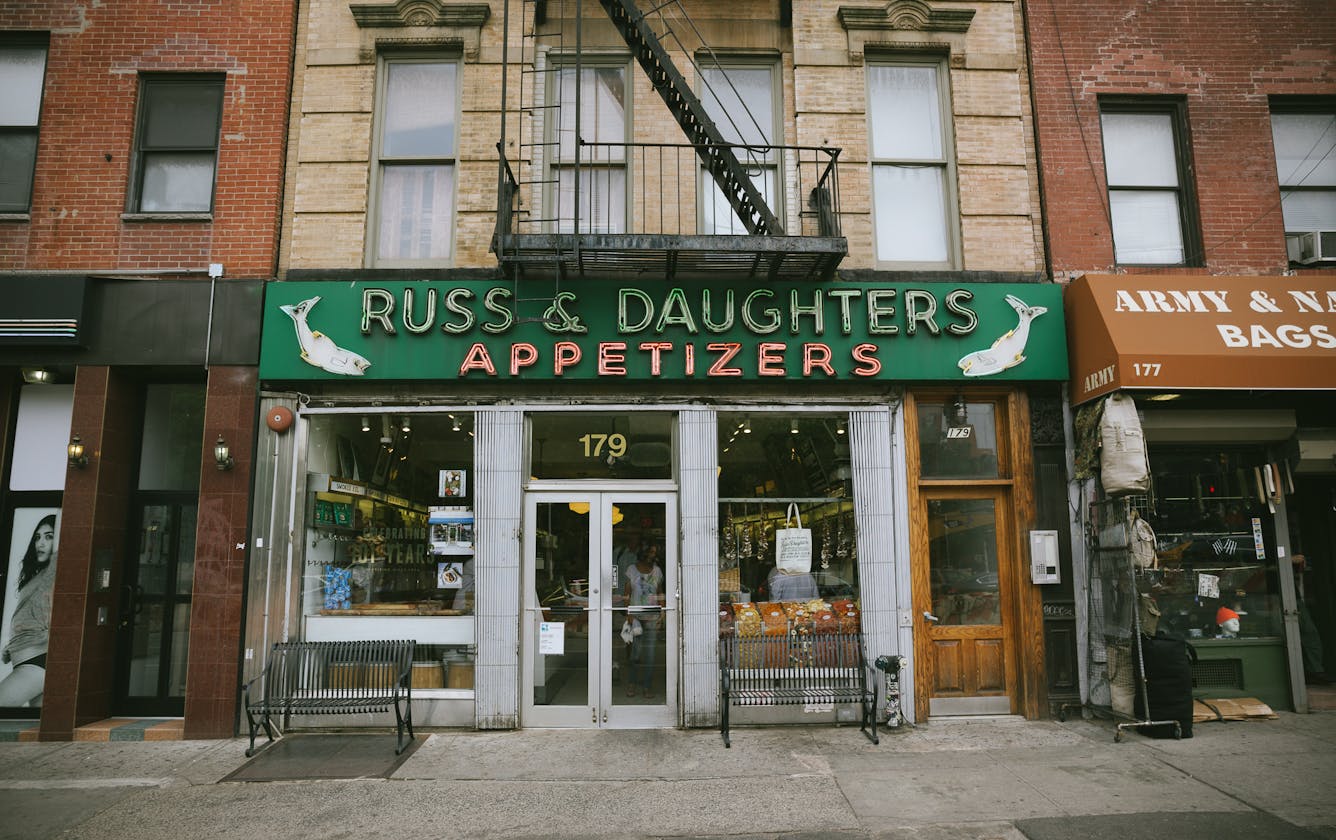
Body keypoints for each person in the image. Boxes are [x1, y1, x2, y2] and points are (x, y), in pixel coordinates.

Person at [0, 515, 58, 707]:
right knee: (38, 725)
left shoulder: (54, 571)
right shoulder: (38, 574)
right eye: (38, 537)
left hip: (37, 660)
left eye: (49, 537)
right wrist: (13, 645)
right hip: (28, 659)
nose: (40, 543)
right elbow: (29, 614)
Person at [624, 542, 664, 698]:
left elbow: (660, 593)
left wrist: (663, 613)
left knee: (651, 655)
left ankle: (647, 686)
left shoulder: (658, 571)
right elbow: (627, 594)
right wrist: (628, 614)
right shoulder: (631, 570)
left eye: (654, 552)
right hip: (636, 616)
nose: (653, 555)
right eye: (651, 552)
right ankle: (632, 684)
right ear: (644, 553)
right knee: (635, 653)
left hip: (653, 616)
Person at [1293, 554, 1330, 685]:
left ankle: (1314, 671)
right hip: (1277, 595)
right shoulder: (1267, 540)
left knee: (1308, 633)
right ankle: (1313, 671)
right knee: (1307, 632)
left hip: (1291, 595)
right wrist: (1289, 559)